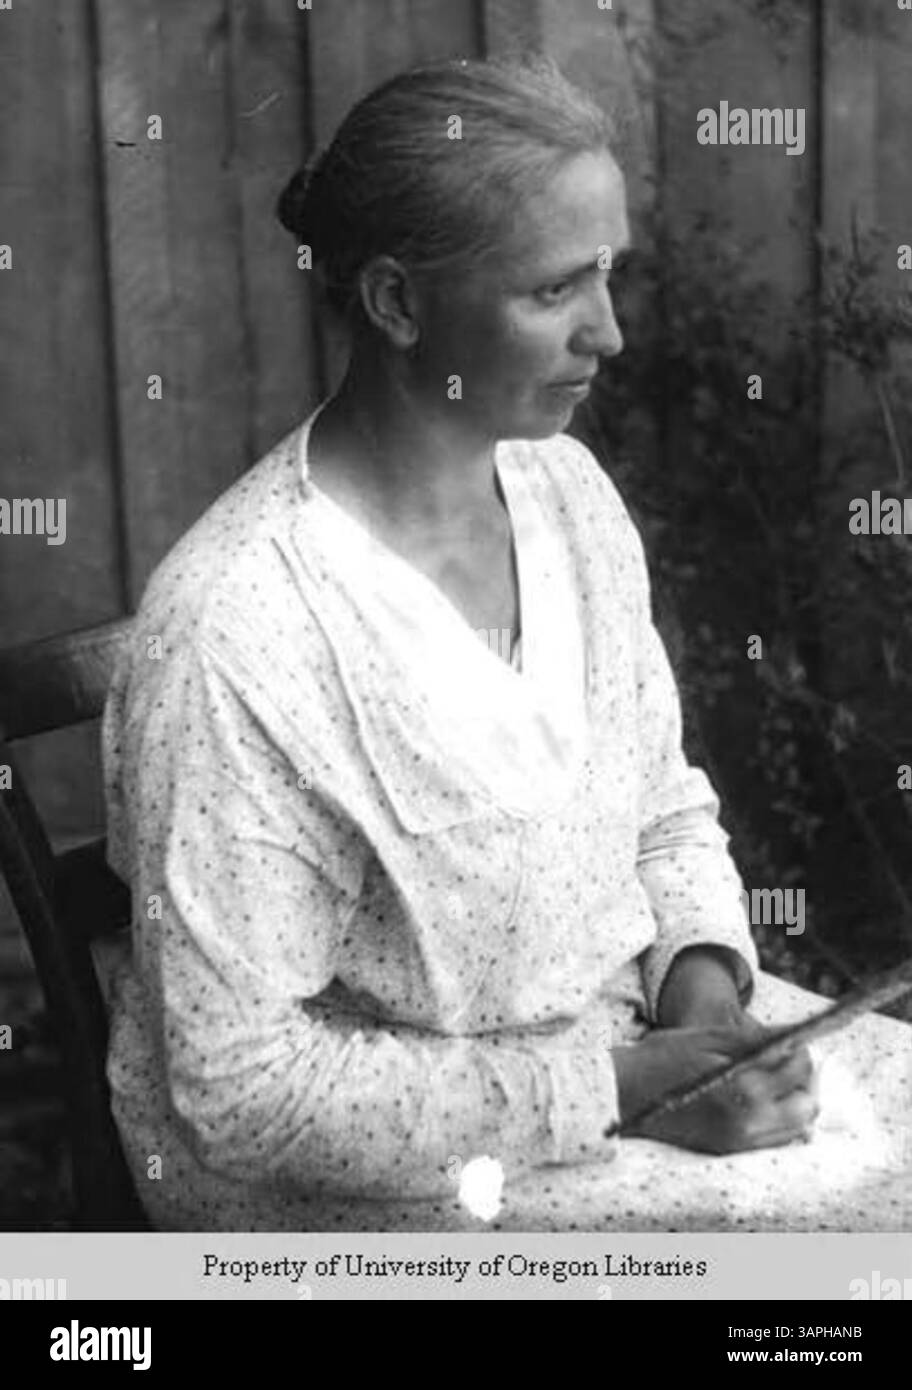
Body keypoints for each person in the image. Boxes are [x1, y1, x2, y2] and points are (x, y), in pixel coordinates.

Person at [99, 55, 909, 1233]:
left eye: (608, 274)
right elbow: (238, 1087)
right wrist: (614, 1094)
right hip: (380, 1175)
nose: (612, 333)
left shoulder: (568, 496)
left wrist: (701, 1001)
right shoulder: (240, 628)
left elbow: (662, 807)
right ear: (396, 302)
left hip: (623, 1051)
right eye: (553, 290)